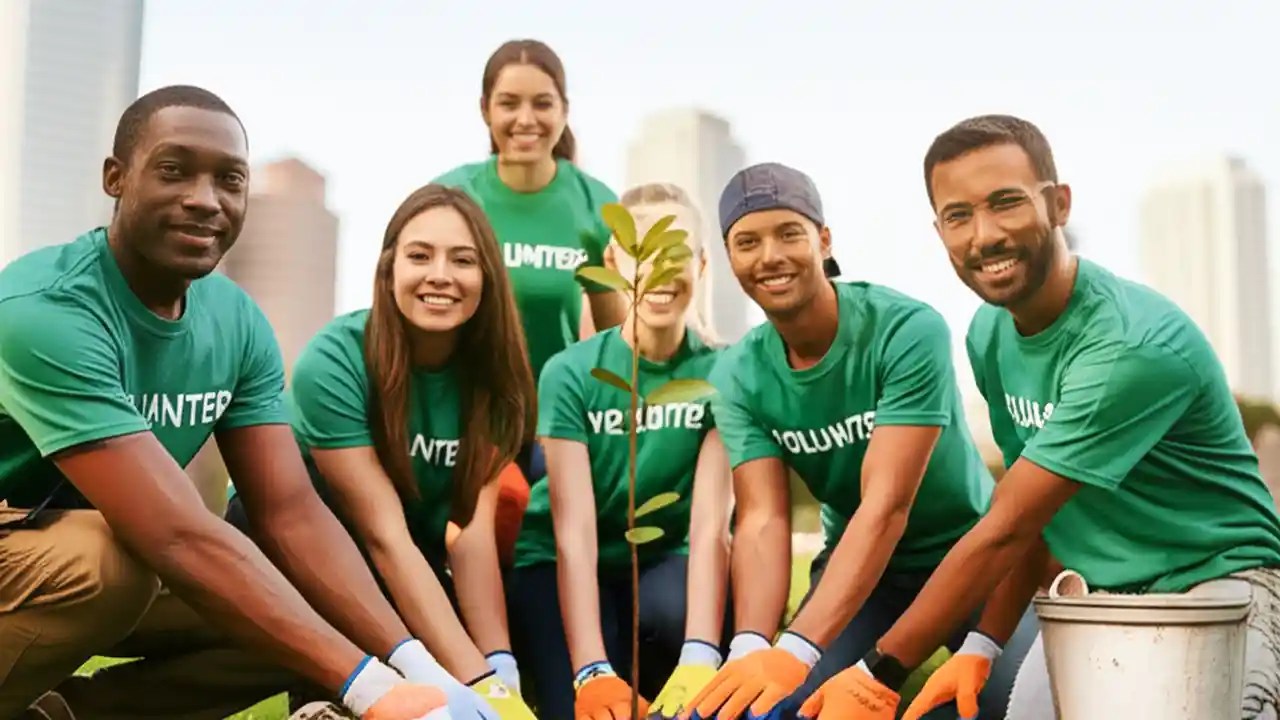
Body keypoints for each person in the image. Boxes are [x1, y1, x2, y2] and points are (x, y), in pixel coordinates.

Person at [795, 114, 1280, 720]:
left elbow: (1005, 527)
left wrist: (879, 671)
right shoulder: (990, 333)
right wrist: (981, 643)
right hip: (1099, 595)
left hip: (1219, 590)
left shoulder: (1126, 347)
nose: (985, 235)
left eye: (1007, 204)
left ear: (1058, 205)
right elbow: (1032, 516)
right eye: (958, 216)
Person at [0, 85, 462, 720]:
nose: (204, 199)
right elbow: (173, 534)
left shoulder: (235, 320)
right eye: (174, 170)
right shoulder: (45, 309)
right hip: (44, 552)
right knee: (106, 561)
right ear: (116, 177)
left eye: (229, 179)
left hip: (108, 553)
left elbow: (291, 512)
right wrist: (373, 693)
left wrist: (419, 670)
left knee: (302, 598)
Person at [682, 163, 1035, 720]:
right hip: (864, 573)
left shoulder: (906, 330)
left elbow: (886, 505)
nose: (769, 255)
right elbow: (761, 520)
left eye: (789, 233)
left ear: (823, 241)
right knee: (785, 705)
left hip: (968, 557)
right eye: (747, 242)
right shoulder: (737, 374)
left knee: (1009, 703)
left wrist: (797, 647)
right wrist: (752, 646)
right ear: (730, 260)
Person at [287, 182, 539, 719]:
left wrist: (499, 671)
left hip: (408, 558)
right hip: (301, 552)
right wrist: (466, 676)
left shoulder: (496, 384)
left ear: (487, 278)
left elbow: (469, 538)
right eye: (419, 256)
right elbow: (379, 533)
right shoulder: (335, 359)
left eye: (463, 260)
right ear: (388, 270)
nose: (440, 275)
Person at [505, 183, 733, 720]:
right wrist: (591, 669)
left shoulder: (724, 372)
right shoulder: (571, 372)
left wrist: (700, 655)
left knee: (674, 625)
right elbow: (574, 534)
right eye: (640, 251)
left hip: (662, 557)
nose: (656, 270)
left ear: (701, 264)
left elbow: (708, 528)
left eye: (674, 252)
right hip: (558, 559)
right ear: (613, 260)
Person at [433, 38, 627, 518]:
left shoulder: (595, 204)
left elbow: (615, 341)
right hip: (463, 415)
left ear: (565, 110)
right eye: (508, 103)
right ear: (485, 110)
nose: (526, 120)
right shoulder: (453, 196)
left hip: (552, 422)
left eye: (542, 103)